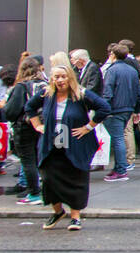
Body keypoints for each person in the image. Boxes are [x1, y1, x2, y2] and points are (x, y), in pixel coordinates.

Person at [26, 61, 111, 231]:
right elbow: (29, 107)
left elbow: (104, 108)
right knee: (49, 178)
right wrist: (37, 125)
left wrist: (88, 127)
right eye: (56, 77)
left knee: (76, 178)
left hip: (74, 143)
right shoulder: (46, 94)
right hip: (51, 143)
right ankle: (57, 212)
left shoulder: (81, 94)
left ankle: (75, 217)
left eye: (63, 76)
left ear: (70, 78)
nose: (60, 80)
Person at [4, 58, 47, 204]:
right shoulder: (44, 85)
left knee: (28, 160)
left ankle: (34, 192)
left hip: (25, 126)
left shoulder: (21, 87)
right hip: (42, 125)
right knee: (39, 158)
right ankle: (44, 189)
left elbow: (11, 111)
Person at [100, 44, 140, 182]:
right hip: (128, 107)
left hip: (115, 108)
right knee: (120, 137)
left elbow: (108, 90)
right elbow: (137, 91)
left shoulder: (112, 70)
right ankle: (118, 167)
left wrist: (104, 108)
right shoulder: (132, 71)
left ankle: (121, 169)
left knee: (117, 139)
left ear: (113, 55)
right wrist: (137, 109)